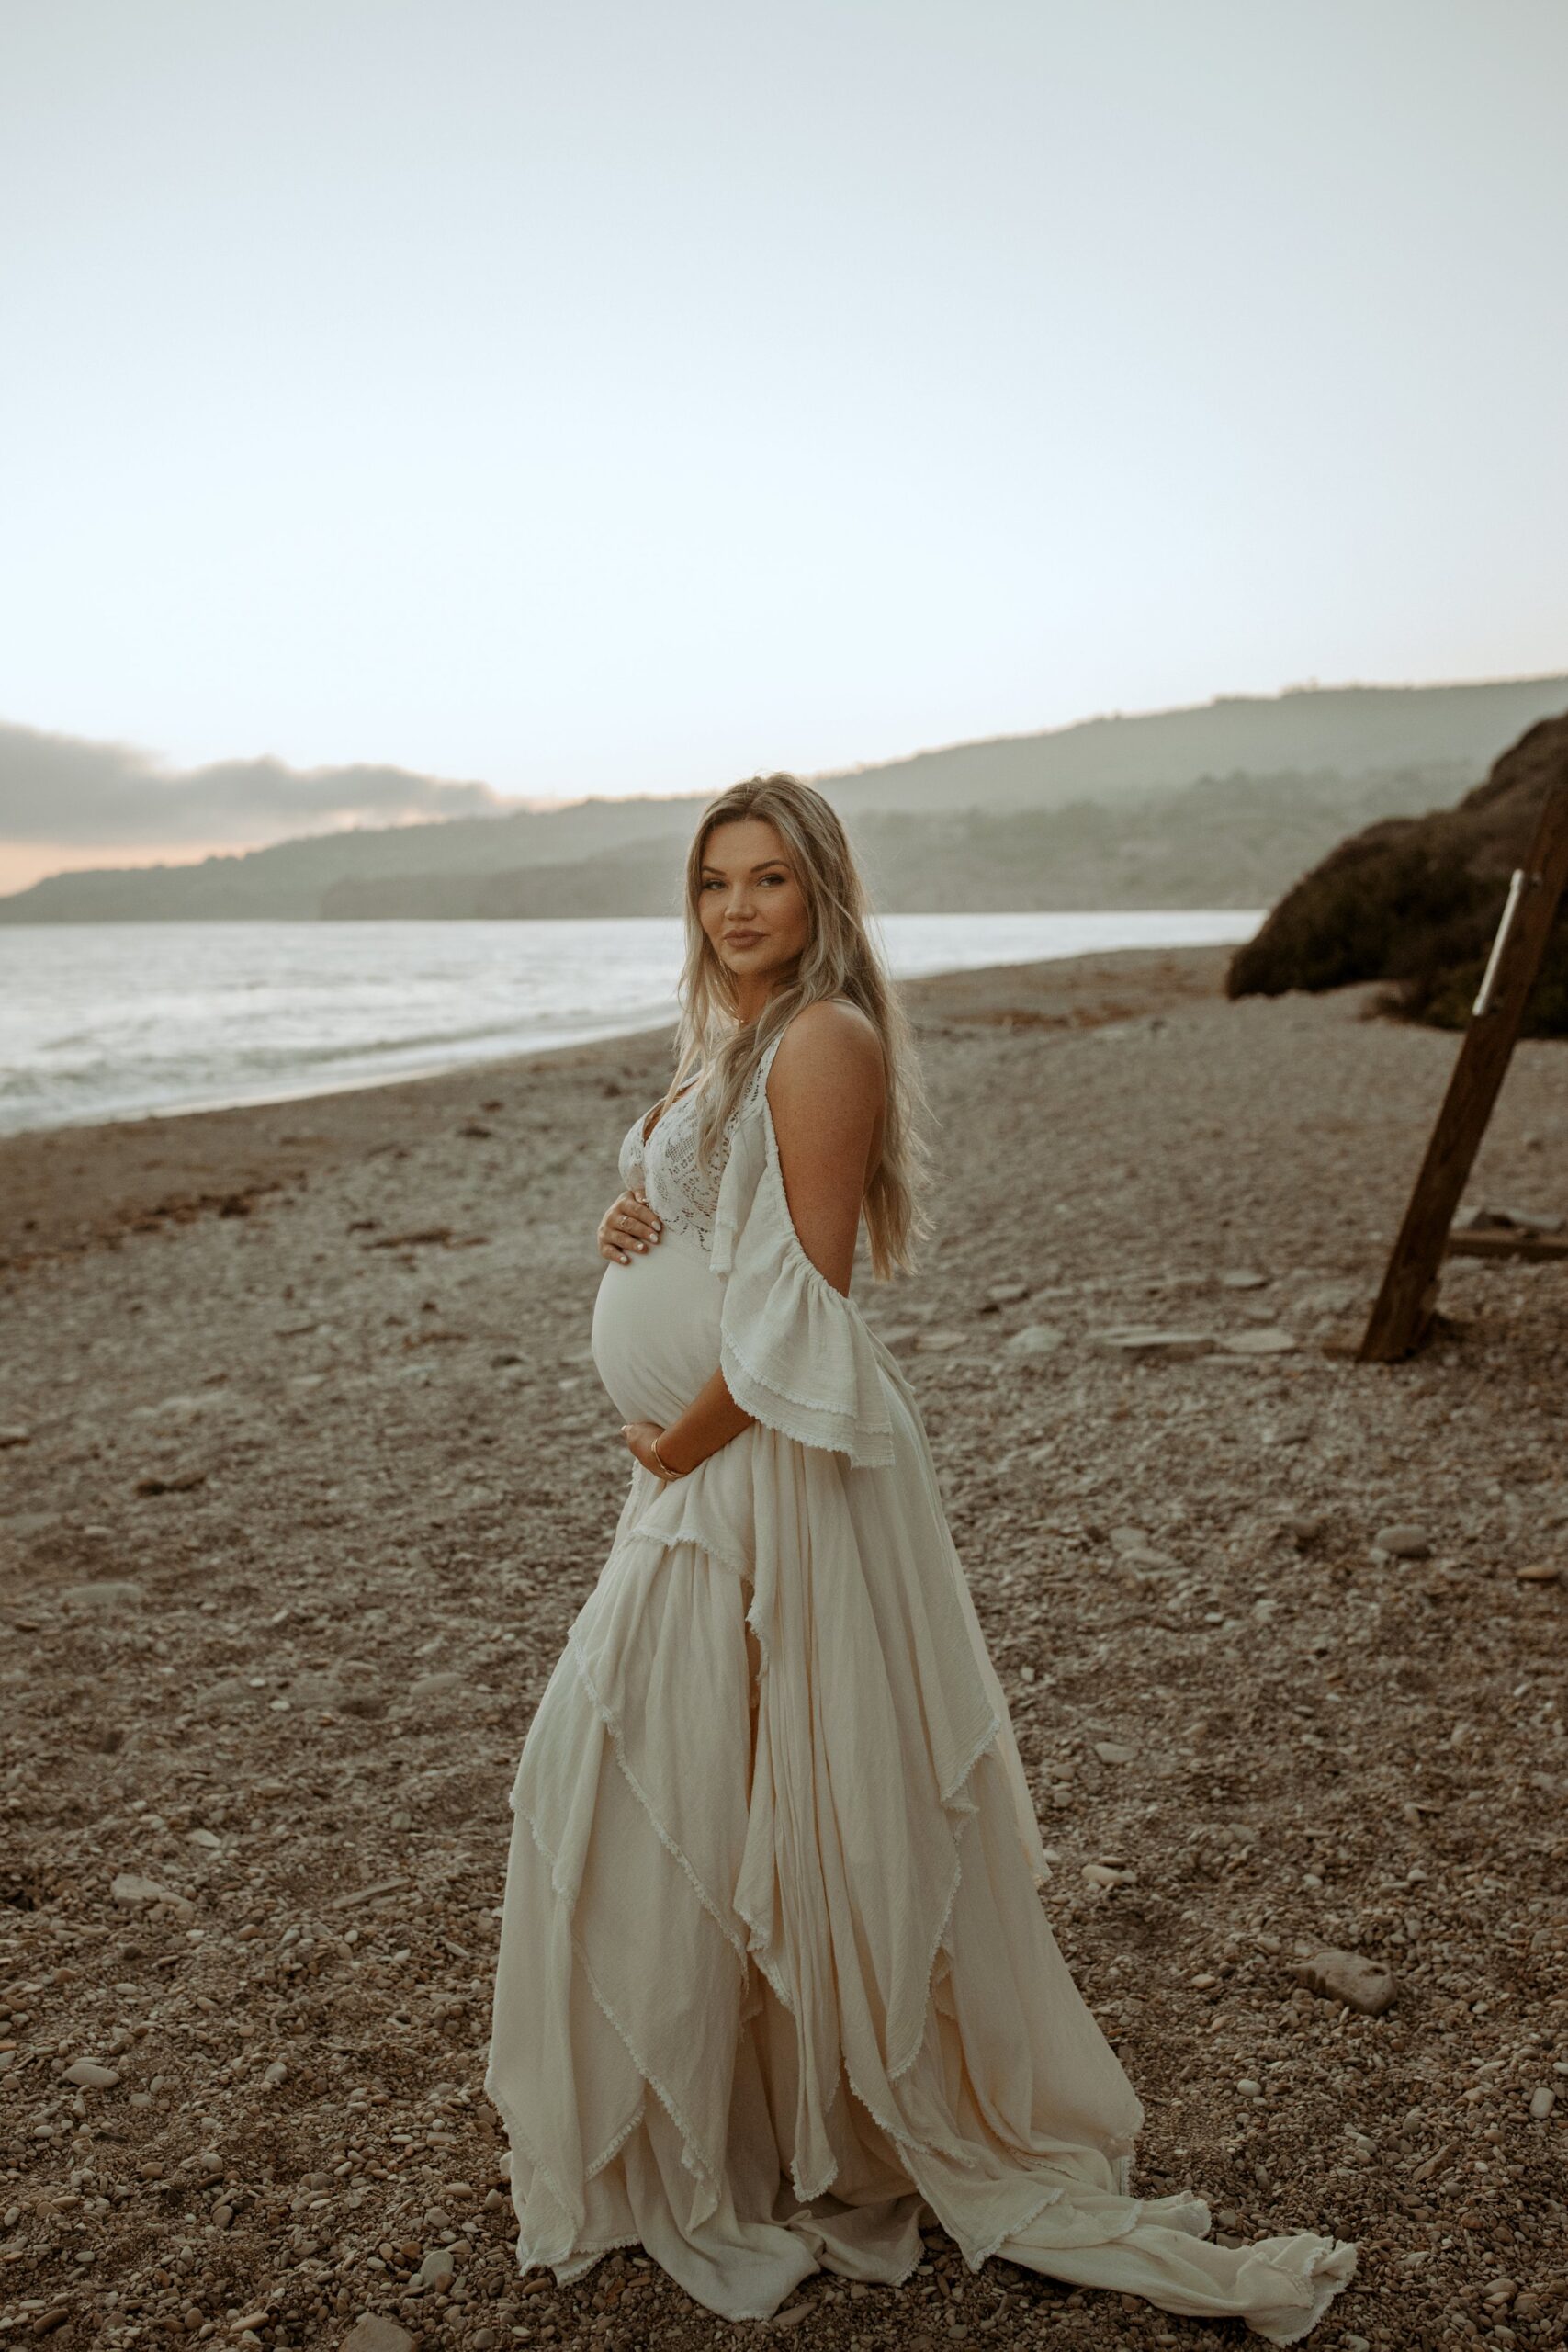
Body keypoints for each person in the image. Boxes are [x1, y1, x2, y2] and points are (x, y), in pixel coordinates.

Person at [485, 774, 1357, 2342]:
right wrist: (633, 1220)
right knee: (700, 1774)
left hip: (759, 1467)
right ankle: (747, 2113)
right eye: (712, 883)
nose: (737, 908)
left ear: (821, 893)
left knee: (646, 1769)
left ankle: (810, 2120)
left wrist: (673, 1446)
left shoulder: (826, 1038)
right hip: (715, 1468)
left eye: (767, 880)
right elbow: (719, 1227)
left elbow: (805, 1295)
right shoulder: (734, 1045)